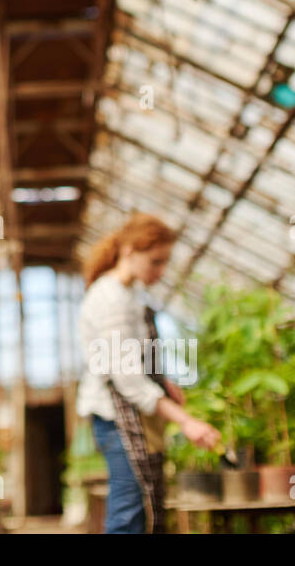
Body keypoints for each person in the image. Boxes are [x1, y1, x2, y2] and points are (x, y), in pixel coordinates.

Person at [77, 213, 220, 533]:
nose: (161, 271)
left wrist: (164, 381)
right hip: (115, 418)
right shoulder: (111, 298)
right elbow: (128, 381)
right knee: (128, 513)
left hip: (125, 415)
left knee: (138, 507)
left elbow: (135, 359)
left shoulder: (128, 294)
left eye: (165, 262)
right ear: (129, 251)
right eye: (156, 261)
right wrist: (187, 421)